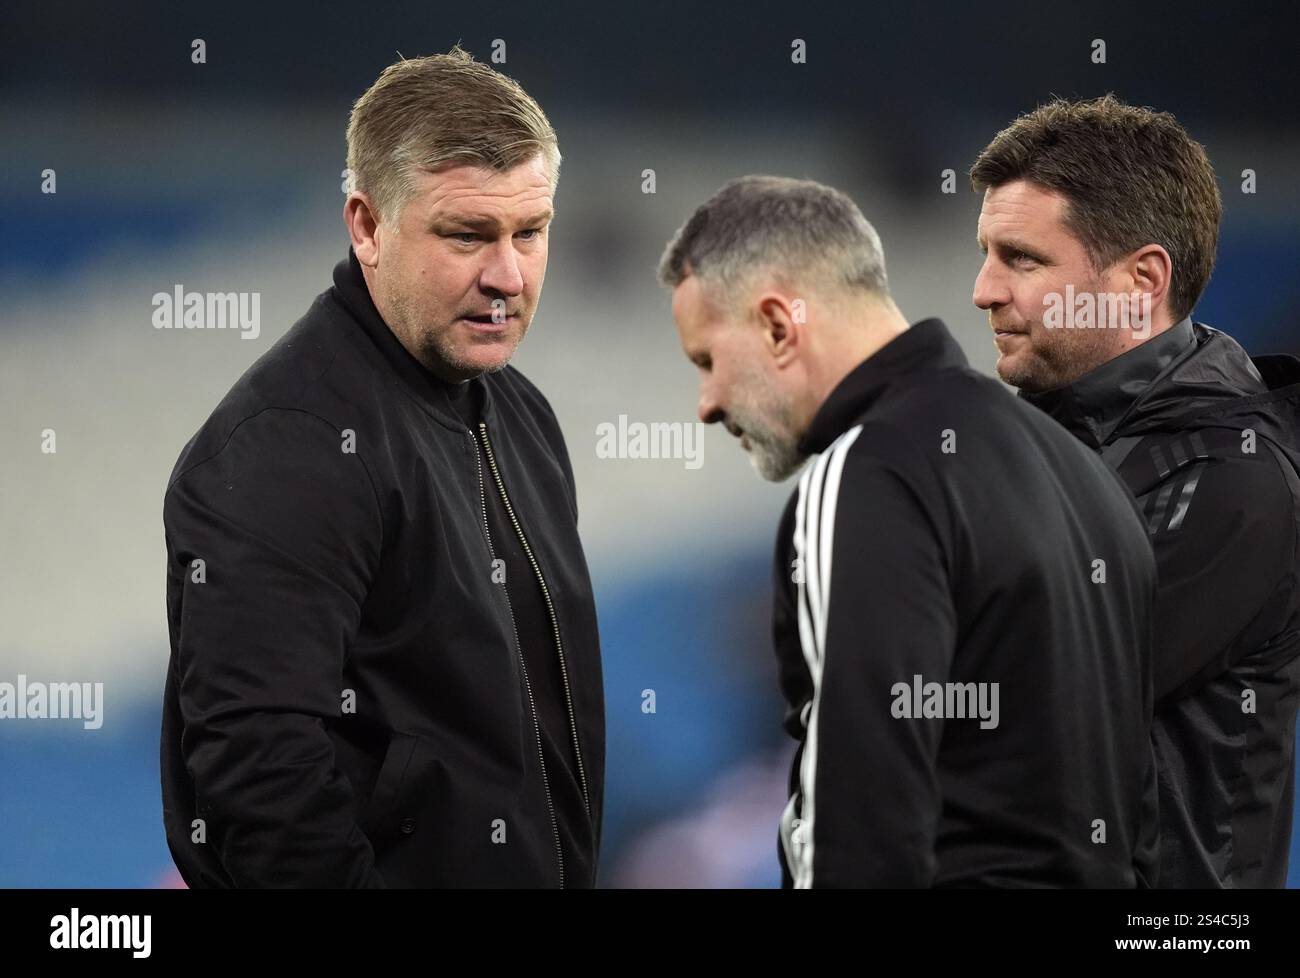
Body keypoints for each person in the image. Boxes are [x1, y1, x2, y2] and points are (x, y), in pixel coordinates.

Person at [160, 47, 604, 888]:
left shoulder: (520, 414)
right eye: (467, 234)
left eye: (530, 232)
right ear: (366, 225)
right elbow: (262, 784)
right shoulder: (286, 445)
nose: (507, 275)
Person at [659, 175, 1159, 887]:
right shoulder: (1086, 477)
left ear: (778, 325)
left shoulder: (867, 472)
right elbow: (1142, 808)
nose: (707, 404)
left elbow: (862, 814)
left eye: (706, 360)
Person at [971, 95, 1300, 887]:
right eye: (985, 253)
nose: (984, 289)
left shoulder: (1234, 479)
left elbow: (1019, 707)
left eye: (1022, 259)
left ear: (1141, 279)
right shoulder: (1027, 450)